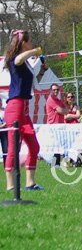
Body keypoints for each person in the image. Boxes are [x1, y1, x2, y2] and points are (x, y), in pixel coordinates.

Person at [3, 30, 44, 191]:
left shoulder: (26, 63)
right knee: (14, 148)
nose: (32, 43)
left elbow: (31, 80)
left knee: (34, 147)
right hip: (15, 108)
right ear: (23, 44)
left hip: (25, 109)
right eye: (30, 41)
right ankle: (11, 185)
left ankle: (30, 183)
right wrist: (34, 52)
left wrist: (41, 69)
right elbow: (19, 59)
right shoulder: (15, 60)